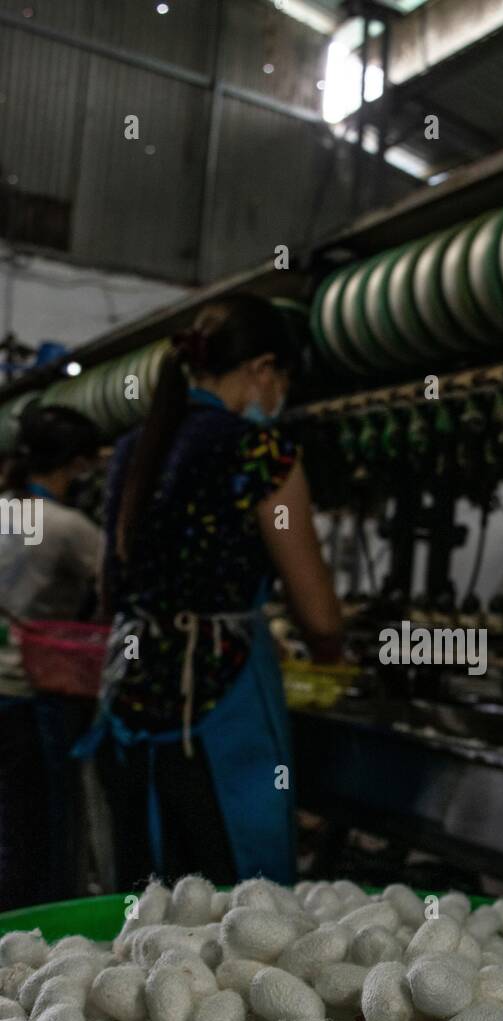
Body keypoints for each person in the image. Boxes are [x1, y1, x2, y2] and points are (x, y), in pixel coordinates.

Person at [92, 292, 342, 890]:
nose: (279, 396)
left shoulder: (132, 447)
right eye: (282, 380)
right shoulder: (263, 453)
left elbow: (112, 582)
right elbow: (320, 615)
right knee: (239, 903)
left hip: (130, 692)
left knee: (149, 897)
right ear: (262, 369)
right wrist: (331, 658)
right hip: (221, 705)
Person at [0, 403, 103, 909]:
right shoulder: (67, 526)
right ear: (77, 464)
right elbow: (119, 587)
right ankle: (47, 923)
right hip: (37, 693)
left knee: (10, 824)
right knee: (50, 826)